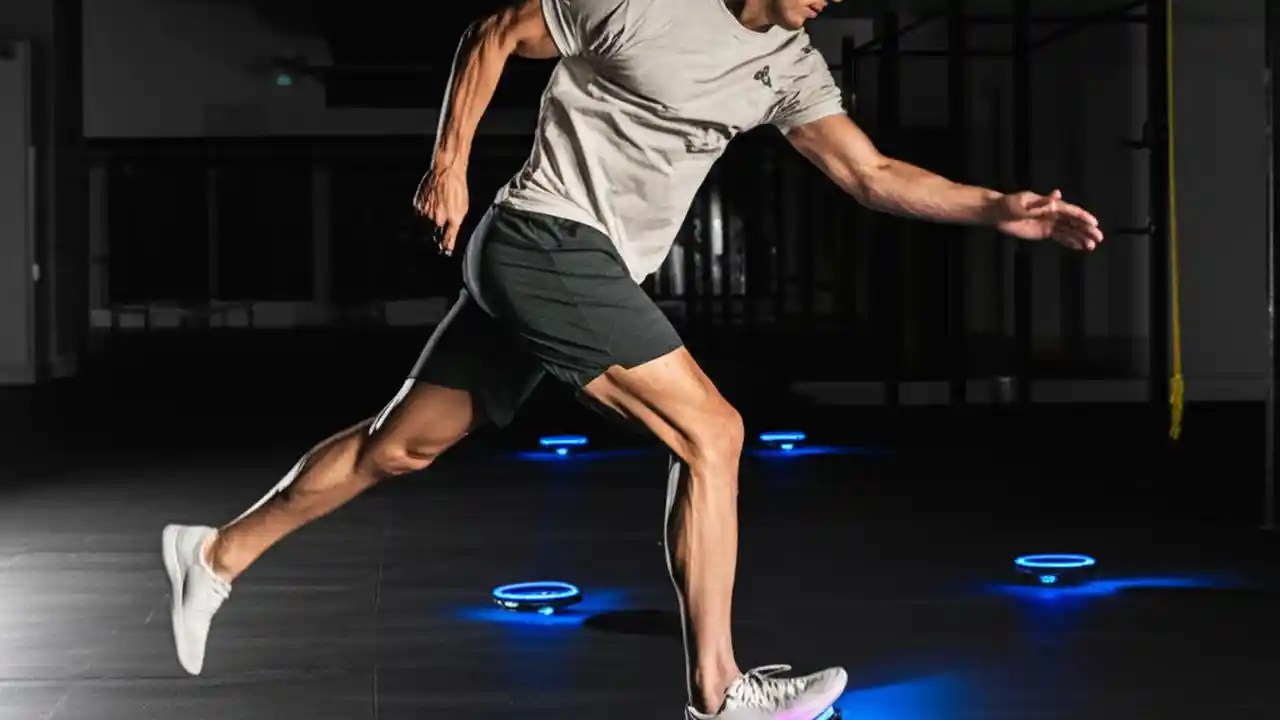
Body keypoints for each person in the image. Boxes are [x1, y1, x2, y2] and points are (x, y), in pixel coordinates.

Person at [161, 0, 1105, 717]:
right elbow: (496, 30)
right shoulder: (648, 3)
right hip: (543, 239)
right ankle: (719, 690)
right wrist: (449, 162)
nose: (833, 1)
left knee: (399, 447)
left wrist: (998, 208)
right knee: (713, 435)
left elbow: (872, 174)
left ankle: (215, 552)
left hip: (576, 261)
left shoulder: (791, 65)